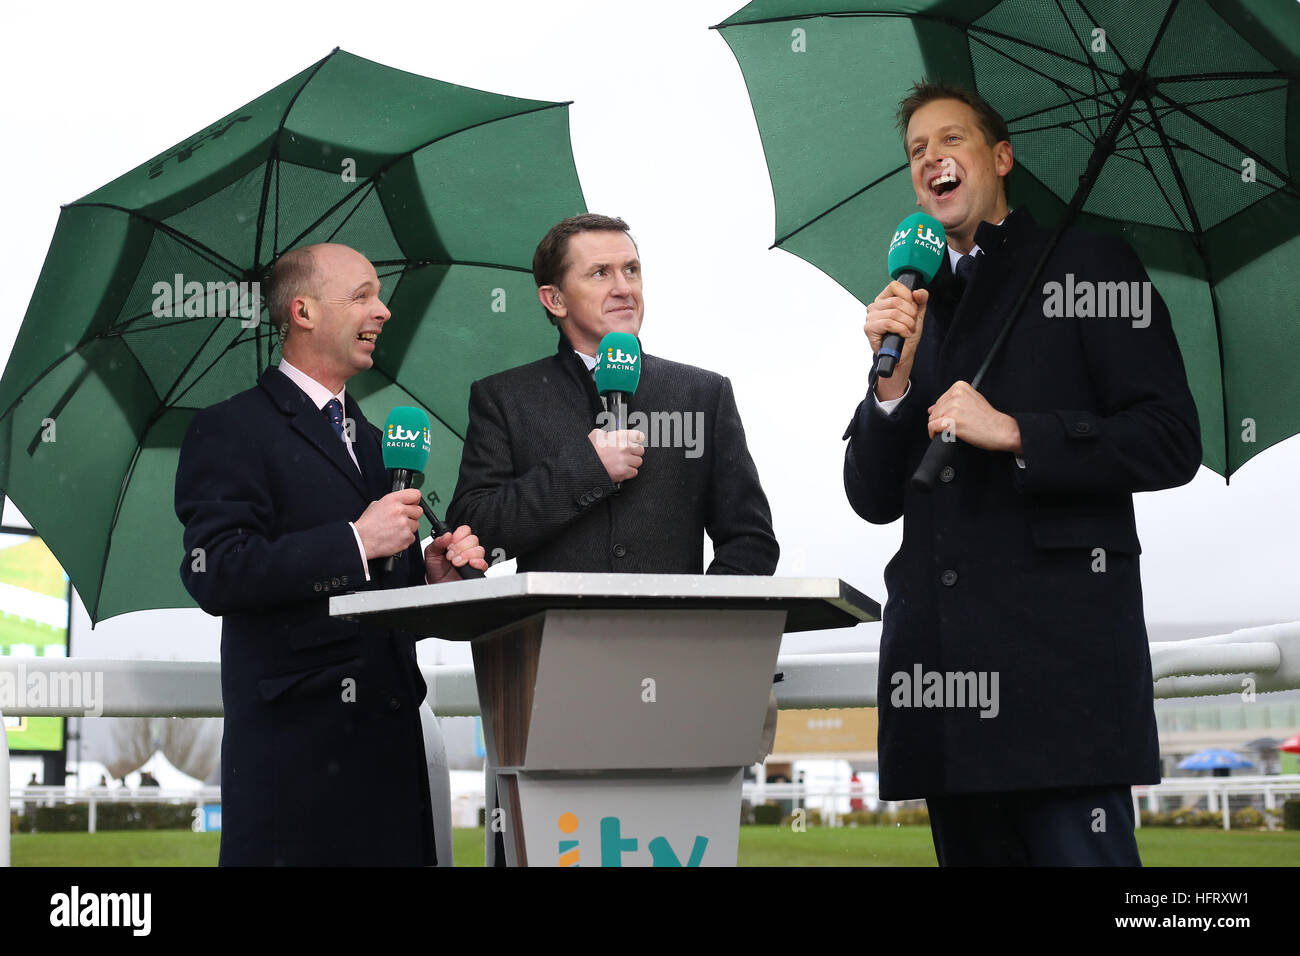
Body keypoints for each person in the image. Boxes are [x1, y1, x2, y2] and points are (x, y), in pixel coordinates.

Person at [842, 82, 1201, 865]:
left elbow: (1171, 439)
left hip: (1058, 676)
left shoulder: (1091, 263)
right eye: (916, 152)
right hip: (940, 678)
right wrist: (891, 387)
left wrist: (1016, 432)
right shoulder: (914, 303)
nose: (932, 159)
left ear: (1000, 158)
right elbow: (871, 498)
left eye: (952, 141)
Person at [175, 242, 487, 867]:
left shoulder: (377, 441)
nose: (384, 311)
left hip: (391, 759)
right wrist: (355, 540)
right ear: (304, 312)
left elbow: (376, 598)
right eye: (363, 295)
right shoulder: (229, 428)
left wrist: (427, 577)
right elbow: (218, 571)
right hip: (294, 771)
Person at [447, 213, 779, 576]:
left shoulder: (703, 393)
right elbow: (473, 535)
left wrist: (698, 619)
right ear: (555, 299)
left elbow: (750, 541)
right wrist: (588, 468)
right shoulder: (503, 398)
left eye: (631, 270)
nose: (624, 287)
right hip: (553, 630)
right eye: (601, 272)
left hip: (676, 630)